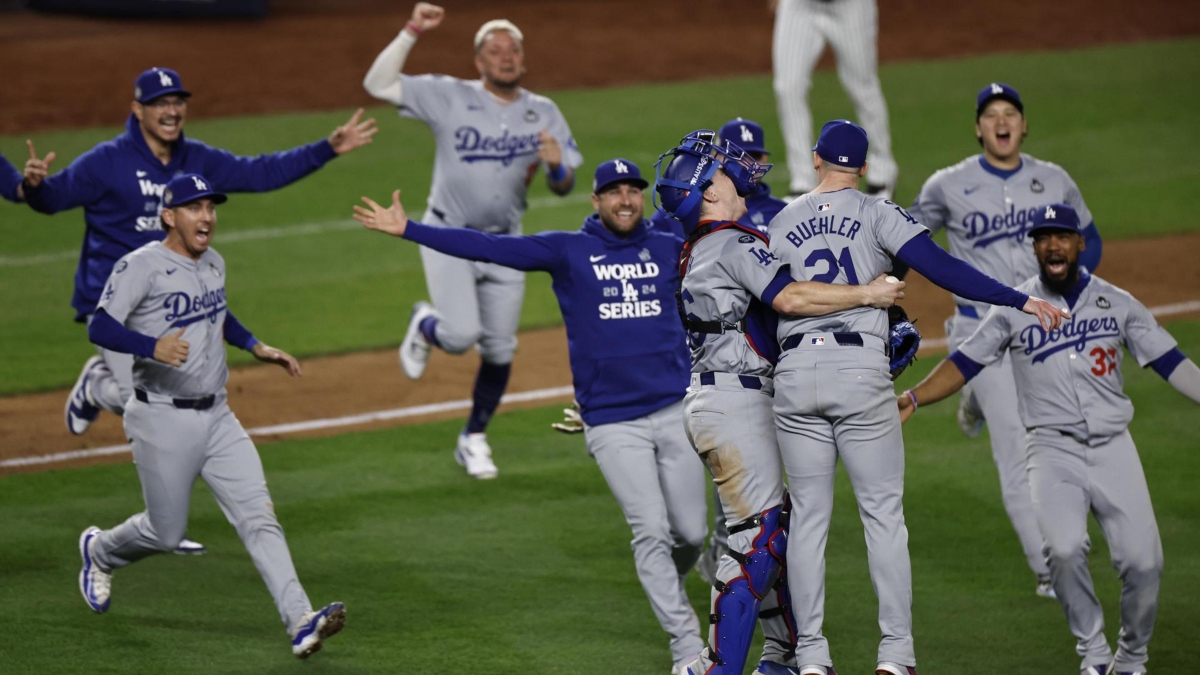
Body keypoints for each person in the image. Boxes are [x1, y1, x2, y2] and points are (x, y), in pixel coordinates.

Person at [356, 159, 702, 674]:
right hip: (612, 421)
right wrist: (408, 229)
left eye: (633, 190)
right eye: (614, 192)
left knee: (691, 535)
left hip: (677, 410)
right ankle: (687, 647)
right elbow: (488, 248)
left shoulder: (671, 246)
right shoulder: (570, 251)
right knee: (650, 530)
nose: (625, 199)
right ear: (595, 200)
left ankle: (666, 585)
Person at [21, 66, 374, 555]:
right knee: (149, 407)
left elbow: (261, 172)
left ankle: (148, 490)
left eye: (177, 100)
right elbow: (54, 198)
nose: (171, 109)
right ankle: (152, 506)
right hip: (117, 312)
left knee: (170, 401)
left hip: (174, 313)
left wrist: (326, 148)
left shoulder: (196, 163)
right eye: (160, 102)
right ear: (138, 110)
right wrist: (36, 186)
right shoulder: (107, 162)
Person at [766, 120, 1069, 675]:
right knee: (882, 516)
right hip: (859, 374)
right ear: (862, 167)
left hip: (795, 373)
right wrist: (1019, 301)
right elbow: (946, 270)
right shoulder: (880, 213)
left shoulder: (780, 222)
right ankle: (895, 655)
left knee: (808, 519)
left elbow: (768, 308)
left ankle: (810, 656)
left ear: (816, 161)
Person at [896, 203, 1200, 675]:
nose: (1053, 245)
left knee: (1145, 564)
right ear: (1034, 247)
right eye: (1043, 237)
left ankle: (1132, 657)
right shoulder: (1014, 310)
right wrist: (913, 398)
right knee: (1061, 550)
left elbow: (1170, 361)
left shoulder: (1118, 302)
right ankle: (1094, 653)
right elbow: (965, 362)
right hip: (1050, 450)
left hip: (1113, 447)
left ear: (1080, 244)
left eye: (1062, 236)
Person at [656, 130, 905, 675]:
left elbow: (770, 323)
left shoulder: (707, 244)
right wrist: (869, 298)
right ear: (710, 194)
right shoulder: (732, 243)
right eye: (719, 168)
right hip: (735, 405)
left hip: (722, 400)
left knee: (781, 533)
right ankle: (713, 666)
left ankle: (783, 657)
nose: (732, 168)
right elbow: (790, 298)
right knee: (760, 542)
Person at [77, 174, 346, 659]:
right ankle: (99, 551)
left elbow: (218, 313)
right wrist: (150, 345)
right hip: (161, 418)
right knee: (166, 533)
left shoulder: (214, 262)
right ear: (169, 216)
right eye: (194, 208)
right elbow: (100, 324)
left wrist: (255, 345)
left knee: (260, 518)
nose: (207, 217)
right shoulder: (141, 266)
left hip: (219, 416)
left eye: (211, 208)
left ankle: (301, 621)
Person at [362, 3, 583, 480]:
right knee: (461, 336)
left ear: (522, 59)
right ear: (479, 61)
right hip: (448, 235)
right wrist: (413, 29)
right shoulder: (448, 95)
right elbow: (377, 85)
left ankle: (474, 437)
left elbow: (564, 184)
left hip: (507, 245)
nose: (505, 56)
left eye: (513, 49)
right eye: (494, 50)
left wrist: (556, 166)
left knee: (501, 349)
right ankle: (425, 325)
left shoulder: (543, 111)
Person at [907, 82, 1104, 597]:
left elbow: (1091, 238)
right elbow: (906, 238)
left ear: (1022, 124)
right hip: (980, 330)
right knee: (1016, 451)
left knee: (1066, 430)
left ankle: (971, 399)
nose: (1001, 121)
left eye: (1010, 113)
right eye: (991, 114)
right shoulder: (947, 185)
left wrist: (1071, 291)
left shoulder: (1053, 179)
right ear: (978, 128)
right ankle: (1046, 568)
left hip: (1044, 331)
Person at [770, 0, 897, 198]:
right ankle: (802, 181)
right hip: (800, 5)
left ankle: (882, 173)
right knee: (788, 88)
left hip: (850, 7)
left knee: (862, 87)